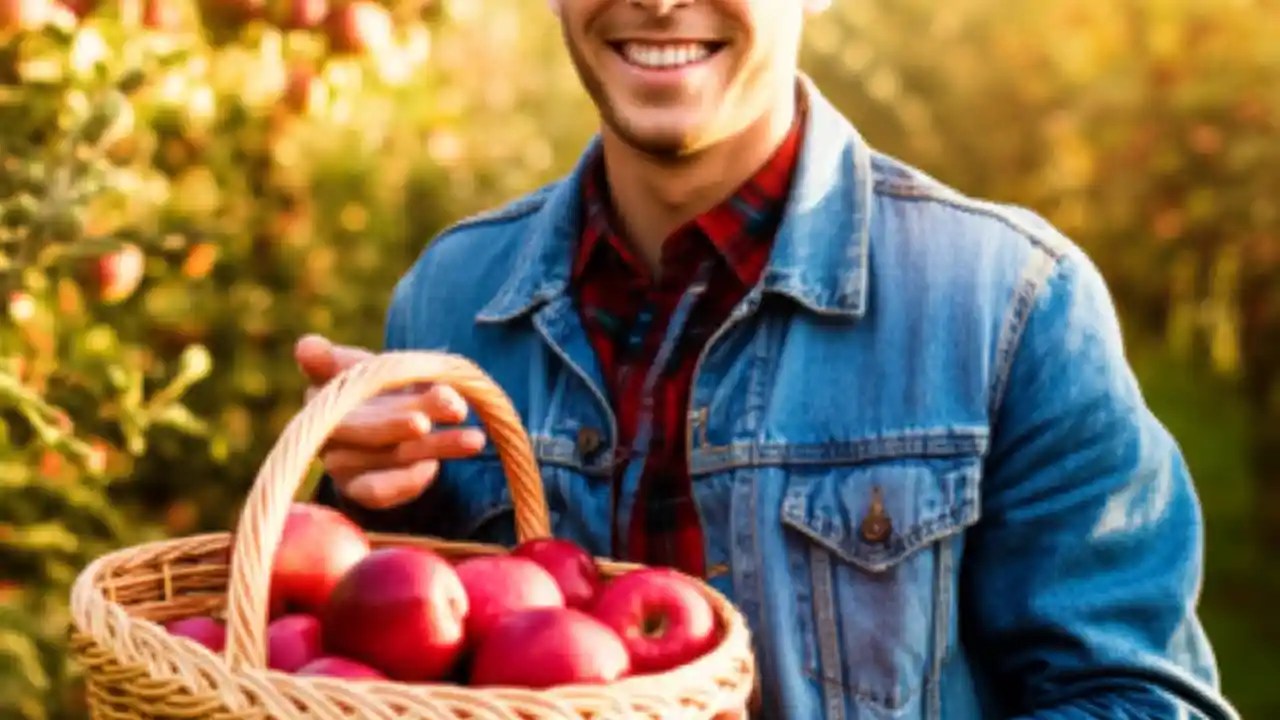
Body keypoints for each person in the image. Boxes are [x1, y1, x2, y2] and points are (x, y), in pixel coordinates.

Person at [296, 0, 1238, 717]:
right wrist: (367, 509)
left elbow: (1138, 699)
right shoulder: (451, 299)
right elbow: (385, 662)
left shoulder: (1008, 305)